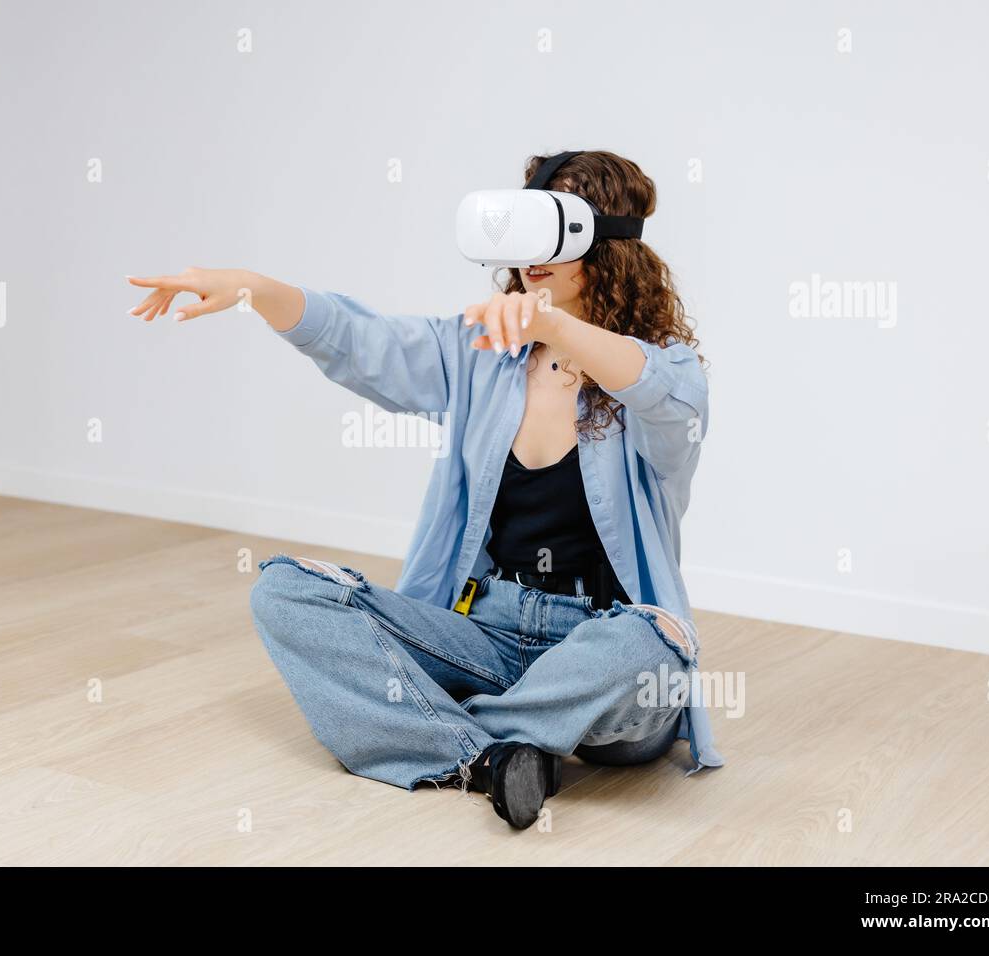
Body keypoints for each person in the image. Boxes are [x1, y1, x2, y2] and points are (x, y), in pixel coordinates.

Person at [126, 150, 723, 830]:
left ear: (607, 244)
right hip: (486, 631)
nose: (532, 253)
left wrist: (555, 326)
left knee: (656, 641)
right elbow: (364, 341)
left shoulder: (662, 373)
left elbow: (665, 393)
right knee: (286, 590)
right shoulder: (483, 354)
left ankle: (452, 735)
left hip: (604, 650)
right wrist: (255, 288)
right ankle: (510, 754)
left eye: (553, 229)